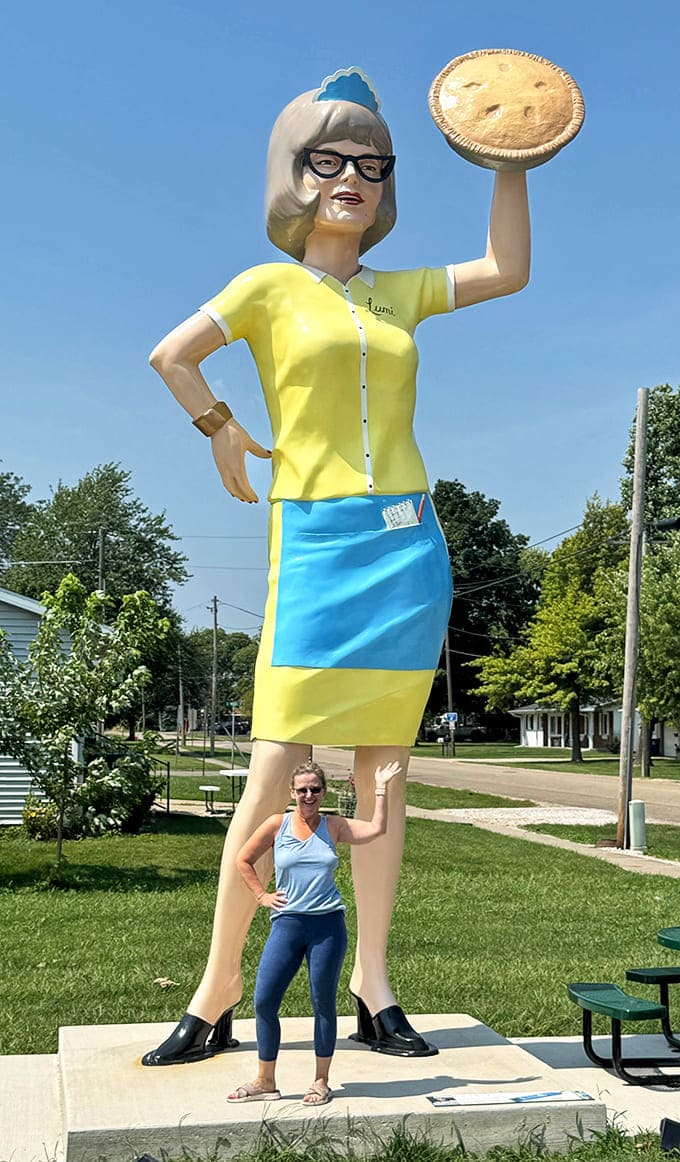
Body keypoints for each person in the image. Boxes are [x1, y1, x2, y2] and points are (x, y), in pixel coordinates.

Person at [142, 66, 530, 1068]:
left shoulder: (398, 291)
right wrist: (220, 425)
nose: (350, 176)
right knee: (273, 770)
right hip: (313, 545)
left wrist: (506, 159)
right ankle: (216, 988)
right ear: (295, 173)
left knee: (385, 775)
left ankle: (373, 986)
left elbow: (505, 268)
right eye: (329, 157)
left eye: (369, 161)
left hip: (406, 550)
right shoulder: (265, 287)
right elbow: (171, 353)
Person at [227, 758, 400, 1105]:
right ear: (292, 793)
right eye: (302, 789)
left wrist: (381, 789)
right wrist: (261, 895)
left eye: (315, 789)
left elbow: (378, 828)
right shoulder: (277, 825)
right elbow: (242, 859)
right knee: (264, 1000)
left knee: (323, 1002)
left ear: (322, 792)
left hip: (327, 926)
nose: (309, 795)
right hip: (288, 924)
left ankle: (321, 1080)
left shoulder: (333, 826)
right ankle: (266, 1080)